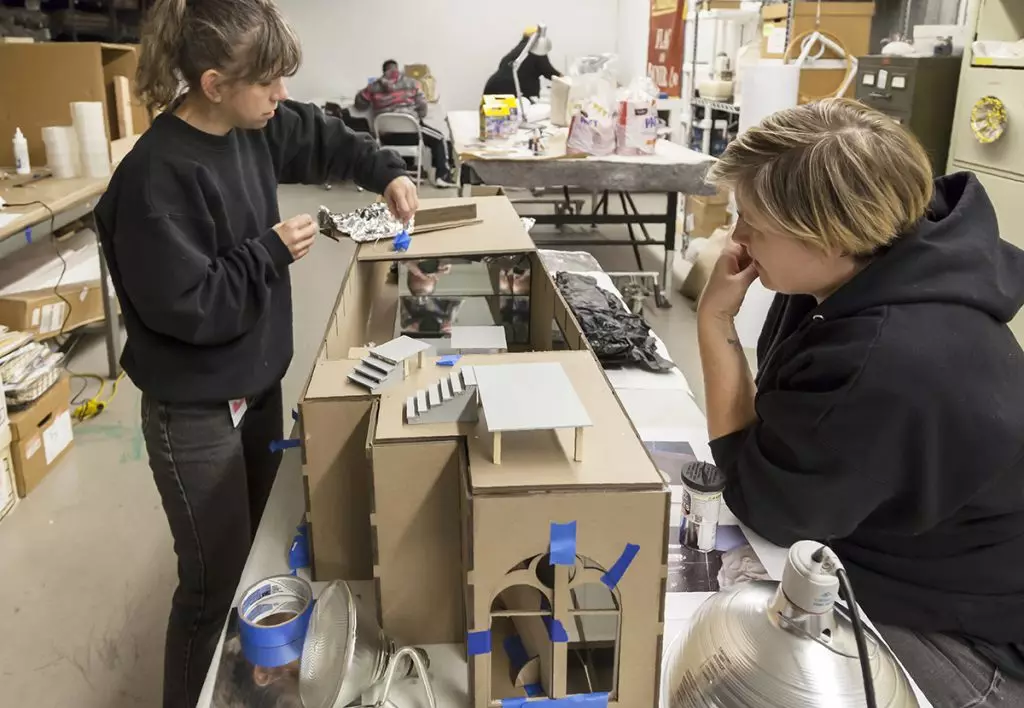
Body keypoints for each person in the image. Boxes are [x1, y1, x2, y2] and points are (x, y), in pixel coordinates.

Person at [93, 1, 416, 706]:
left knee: (254, 566)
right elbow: (190, 308)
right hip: (196, 413)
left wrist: (384, 169)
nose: (281, 96)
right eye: (267, 82)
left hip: (255, 387)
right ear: (214, 83)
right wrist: (267, 254)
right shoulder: (155, 181)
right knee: (212, 589)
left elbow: (324, 136)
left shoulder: (253, 127)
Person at [697, 97, 1024, 707]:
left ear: (827, 237)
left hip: (973, 642)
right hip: (938, 557)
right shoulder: (874, 263)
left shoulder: (883, 359)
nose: (737, 238)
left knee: (743, 668)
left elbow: (761, 502)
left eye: (754, 226)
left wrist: (715, 323)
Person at [356, 59, 455, 188]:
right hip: (411, 134)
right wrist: (418, 115)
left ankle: (403, 171)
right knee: (440, 138)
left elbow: (360, 104)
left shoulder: (373, 87)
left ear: (383, 71)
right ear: (397, 69)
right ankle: (442, 176)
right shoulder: (412, 83)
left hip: (385, 136)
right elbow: (422, 107)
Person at [483, 27, 561, 100]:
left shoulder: (517, 51)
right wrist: (564, 78)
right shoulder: (535, 50)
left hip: (494, 89)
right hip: (513, 93)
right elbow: (548, 71)